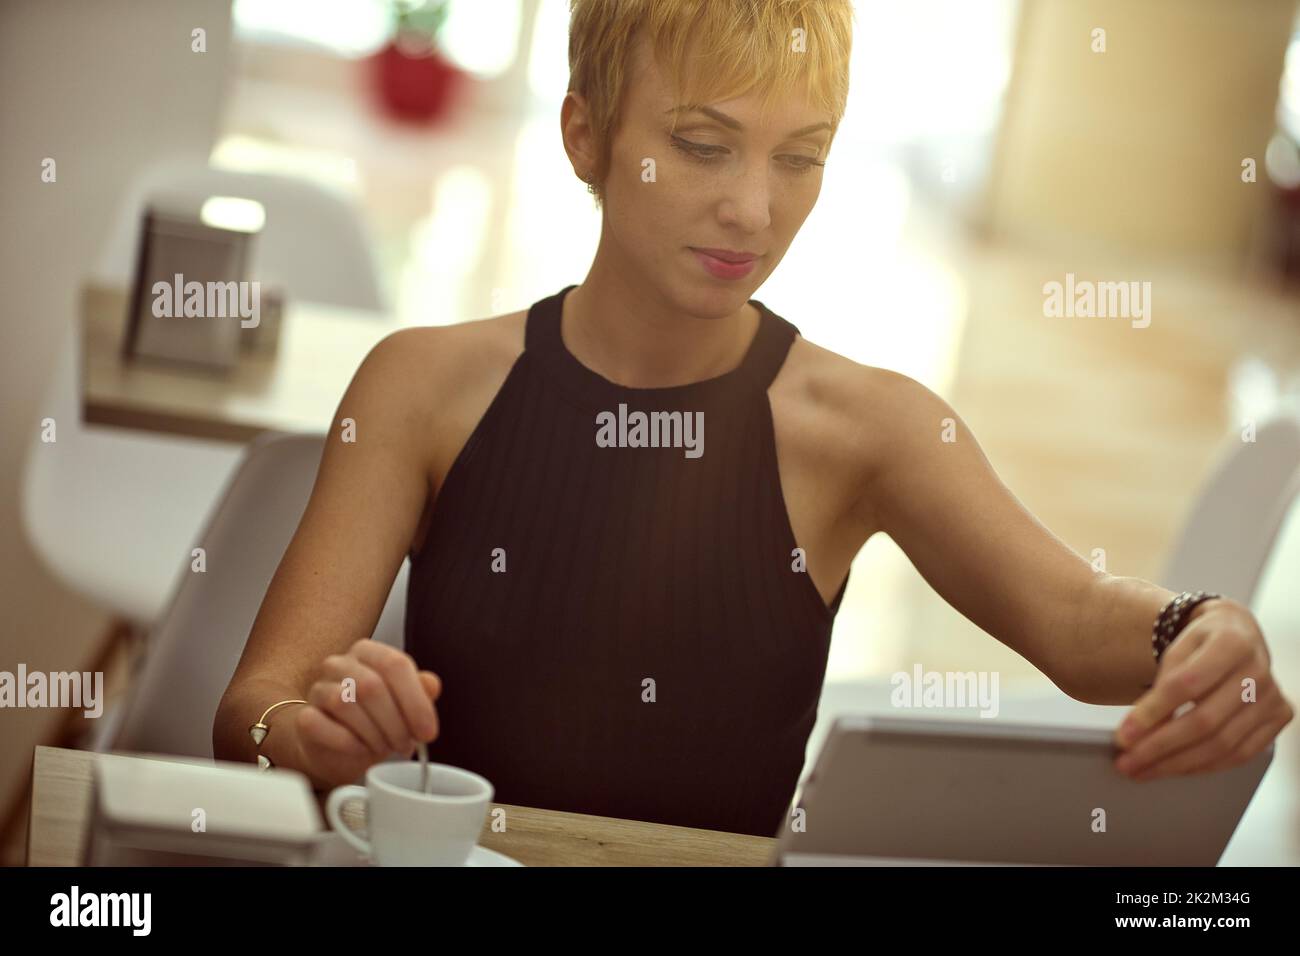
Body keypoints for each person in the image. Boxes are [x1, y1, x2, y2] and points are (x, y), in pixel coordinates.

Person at [214, 0, 1293, 837]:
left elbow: (1076, 617)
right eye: (701, 144)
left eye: (799, 156)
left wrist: (1196, 624)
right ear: (584, 138)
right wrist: (303, 734)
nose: (754, 209)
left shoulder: (871, 426)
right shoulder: (419, 387)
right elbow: (248, 708)